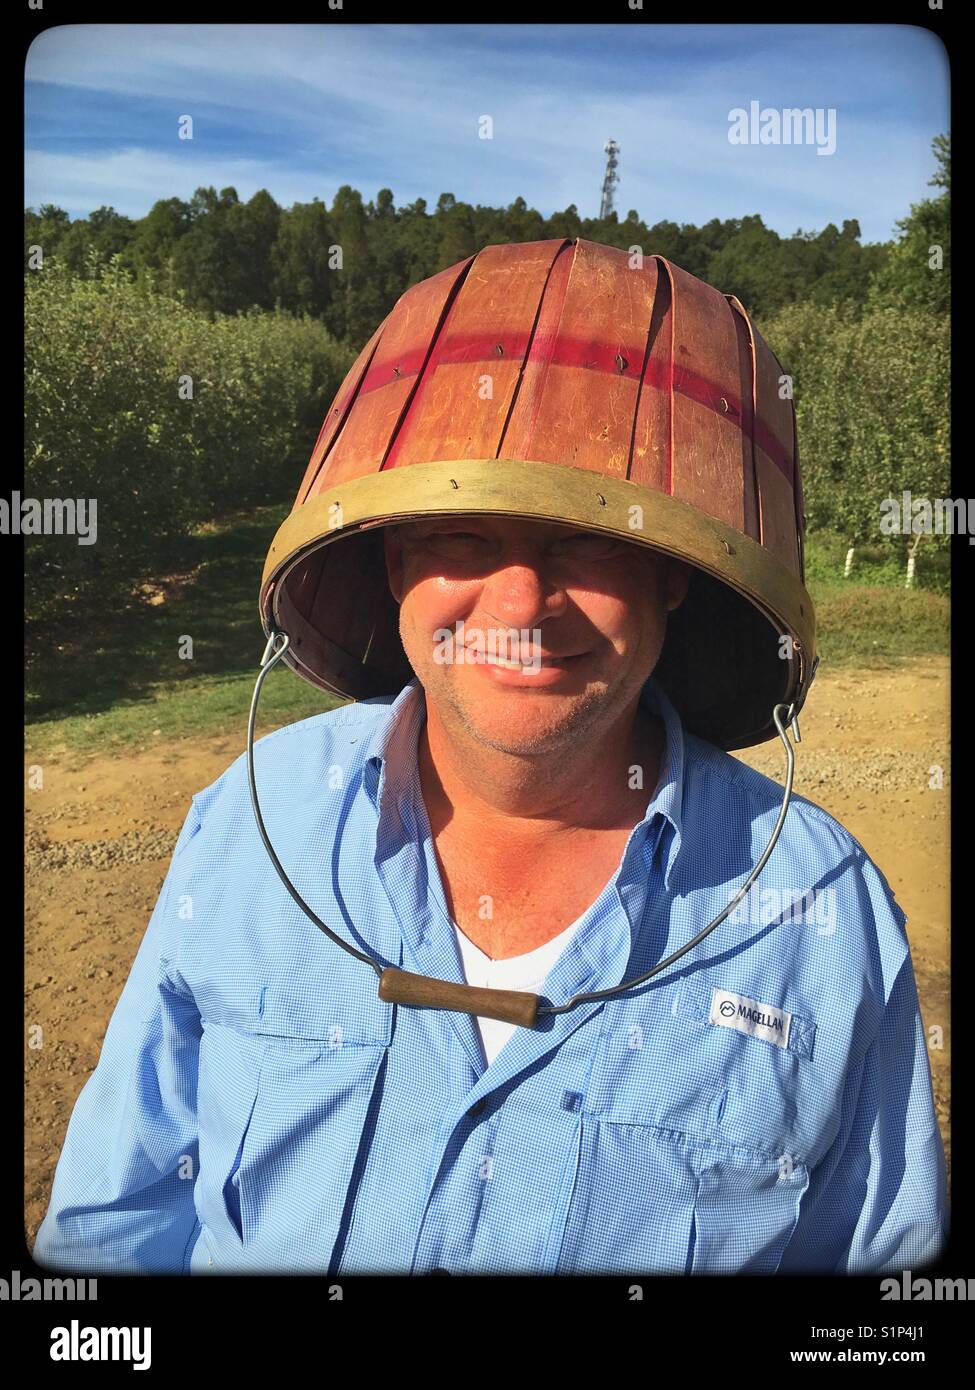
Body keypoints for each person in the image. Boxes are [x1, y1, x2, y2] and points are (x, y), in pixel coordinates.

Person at [33, 237, 948, 1276]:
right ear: (393, 557)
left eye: (589, 538)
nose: (520, 604)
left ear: (677, 574)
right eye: (465, 533)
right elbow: (115, 1231)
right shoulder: (251, 826)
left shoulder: (824, 917)